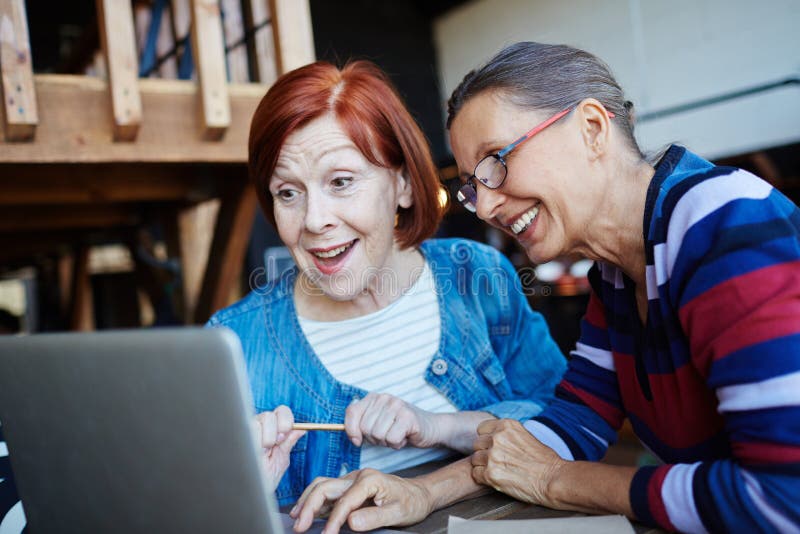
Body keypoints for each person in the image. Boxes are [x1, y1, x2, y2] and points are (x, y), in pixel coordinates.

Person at [290, 42, 800, 533]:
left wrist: (558, 481)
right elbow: (573, 424)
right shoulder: (616, 275)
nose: (485, 207)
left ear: (592, 129)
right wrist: (423, 493)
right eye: (472, 186)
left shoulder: (722, 223)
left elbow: (781, 497)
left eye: (496, 161)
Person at [206, 59, 566, 507]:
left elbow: (563, 417)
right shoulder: (235, 343)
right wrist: (243, 493)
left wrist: (439, 426)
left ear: (403, 184)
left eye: (341, 182)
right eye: (288, 192)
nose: (314, 220)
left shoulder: (477, 276)